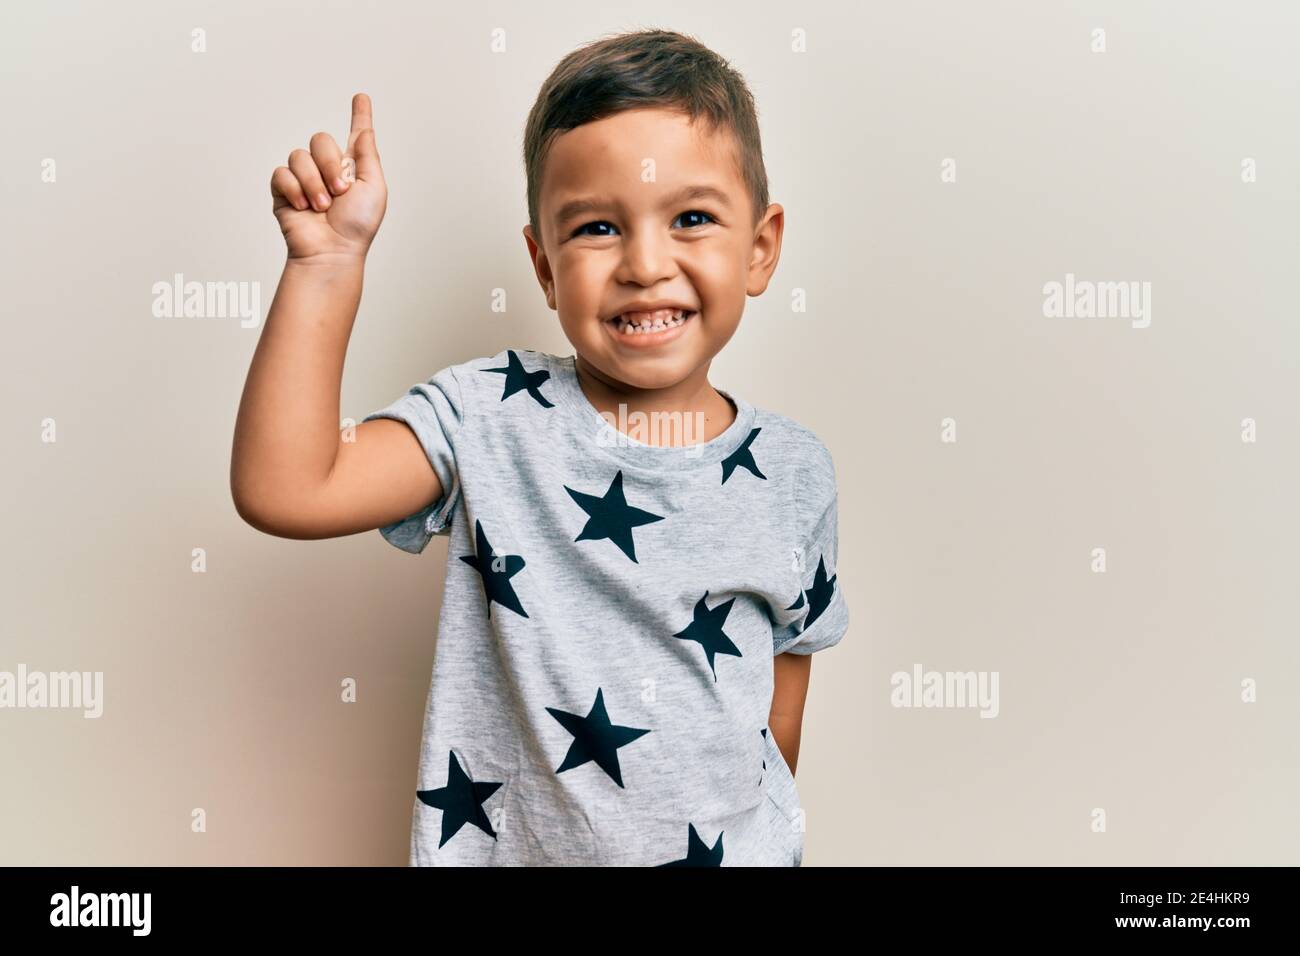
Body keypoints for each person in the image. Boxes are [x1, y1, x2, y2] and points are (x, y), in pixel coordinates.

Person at [232, 28, 848, 866]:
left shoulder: (796, 470)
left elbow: (784, 683)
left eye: (693, 218)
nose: (644, 263)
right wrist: (327, 264)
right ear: (545, 265)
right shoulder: (490, 416)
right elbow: (287, 487)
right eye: (597, 227)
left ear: (761, 247)